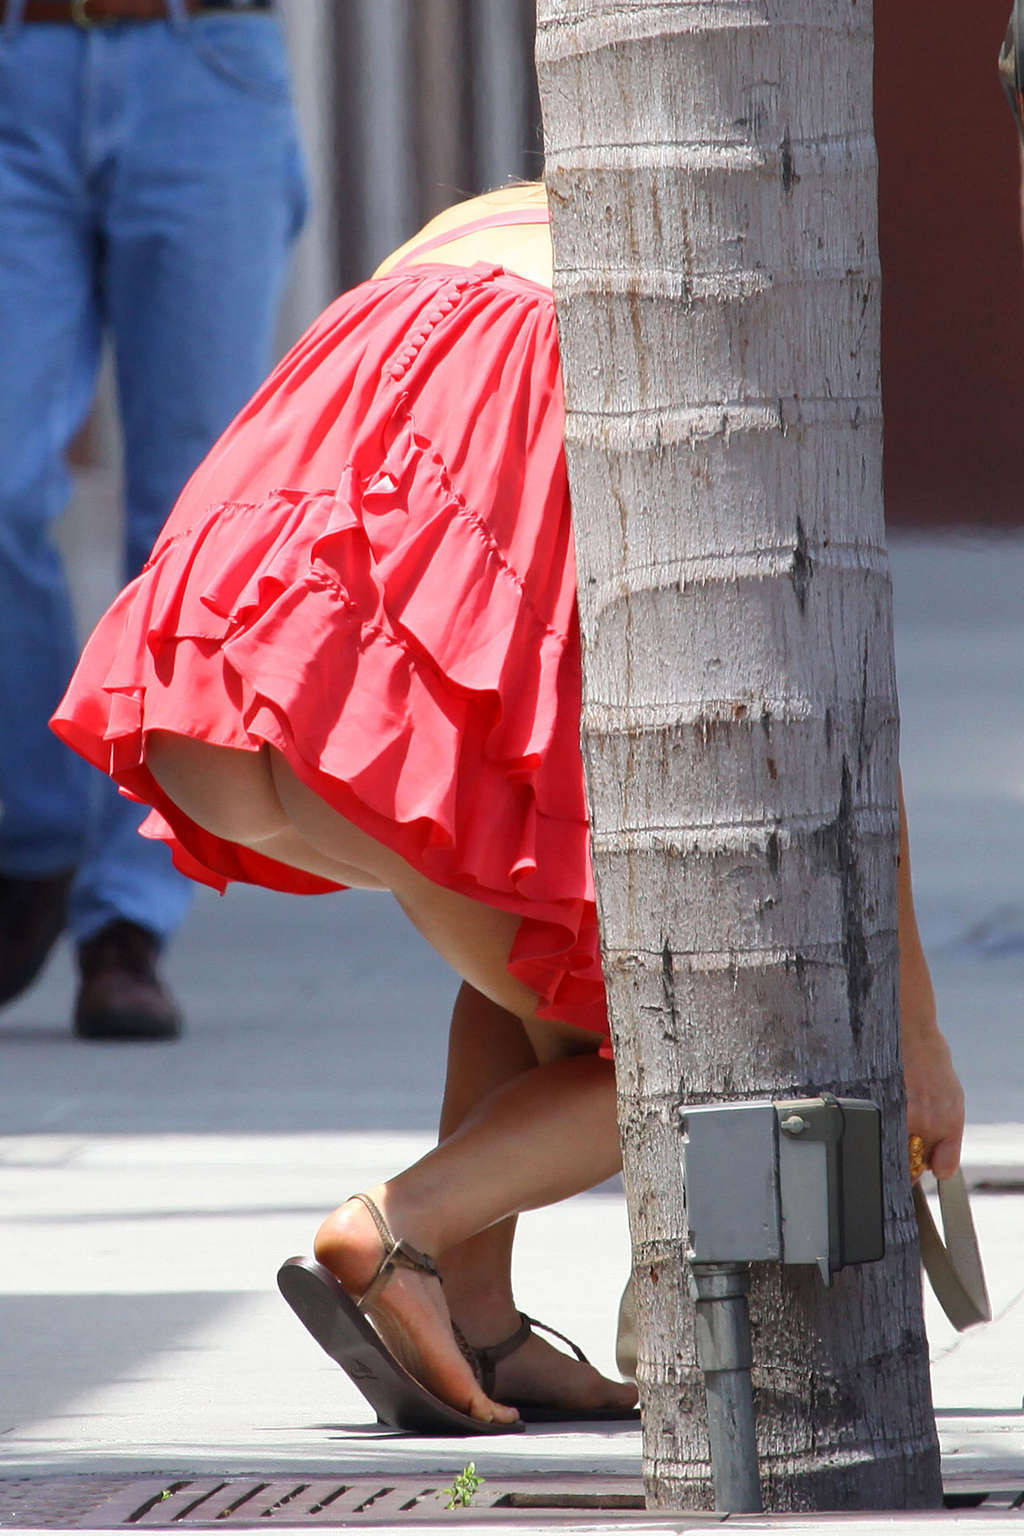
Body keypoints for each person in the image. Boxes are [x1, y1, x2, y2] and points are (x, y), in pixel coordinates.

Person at [50, 183, 965, 1430]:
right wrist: (912, 1035)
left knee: (530, 947)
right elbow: (836, 715)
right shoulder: (736, 309)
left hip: (223, 677)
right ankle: (402, 1230)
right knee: (689, 1044)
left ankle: (477, 1323)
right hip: (365, 709)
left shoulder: (492, 227)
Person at [0, 0, 308, 1040]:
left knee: (190, 521)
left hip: (204, 61)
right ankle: (36, 833)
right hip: (17, 57)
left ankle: (130, 916)